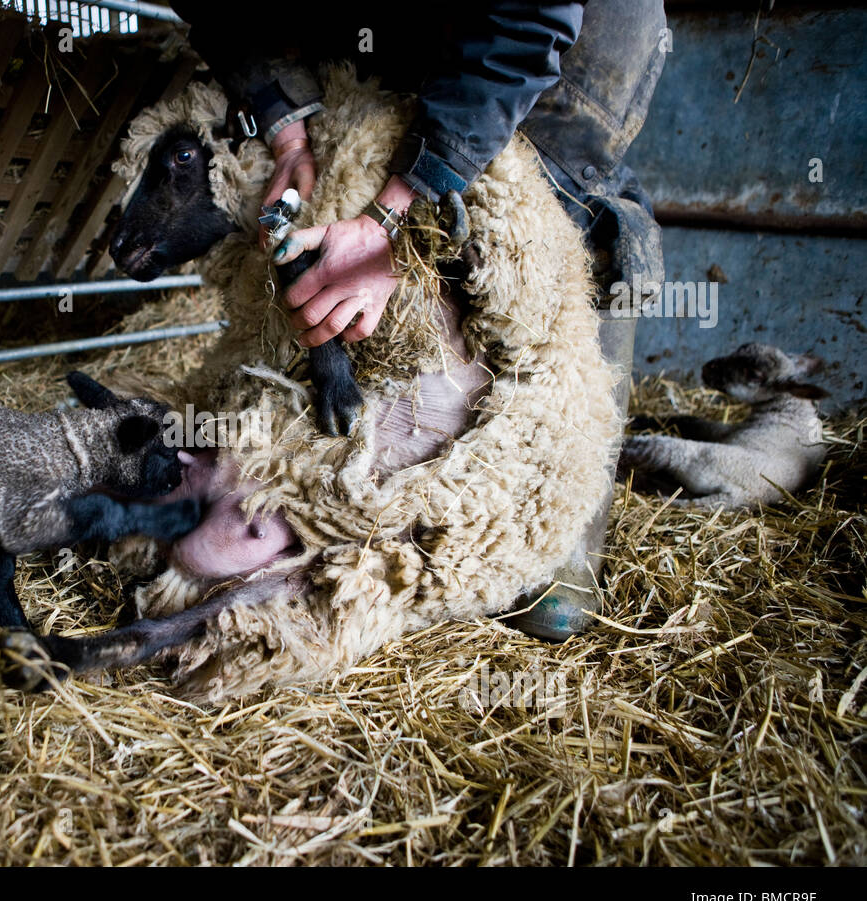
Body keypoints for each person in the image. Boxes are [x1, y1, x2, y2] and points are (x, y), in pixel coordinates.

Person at [168, 0, 669, 639]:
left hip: (553, 41)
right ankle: (346, 490)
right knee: (362, 177)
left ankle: (551, 521)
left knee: (531, 217)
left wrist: (389, 220)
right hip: (392, 36)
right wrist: (290, 131)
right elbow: (227, 18)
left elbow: (524, 30)